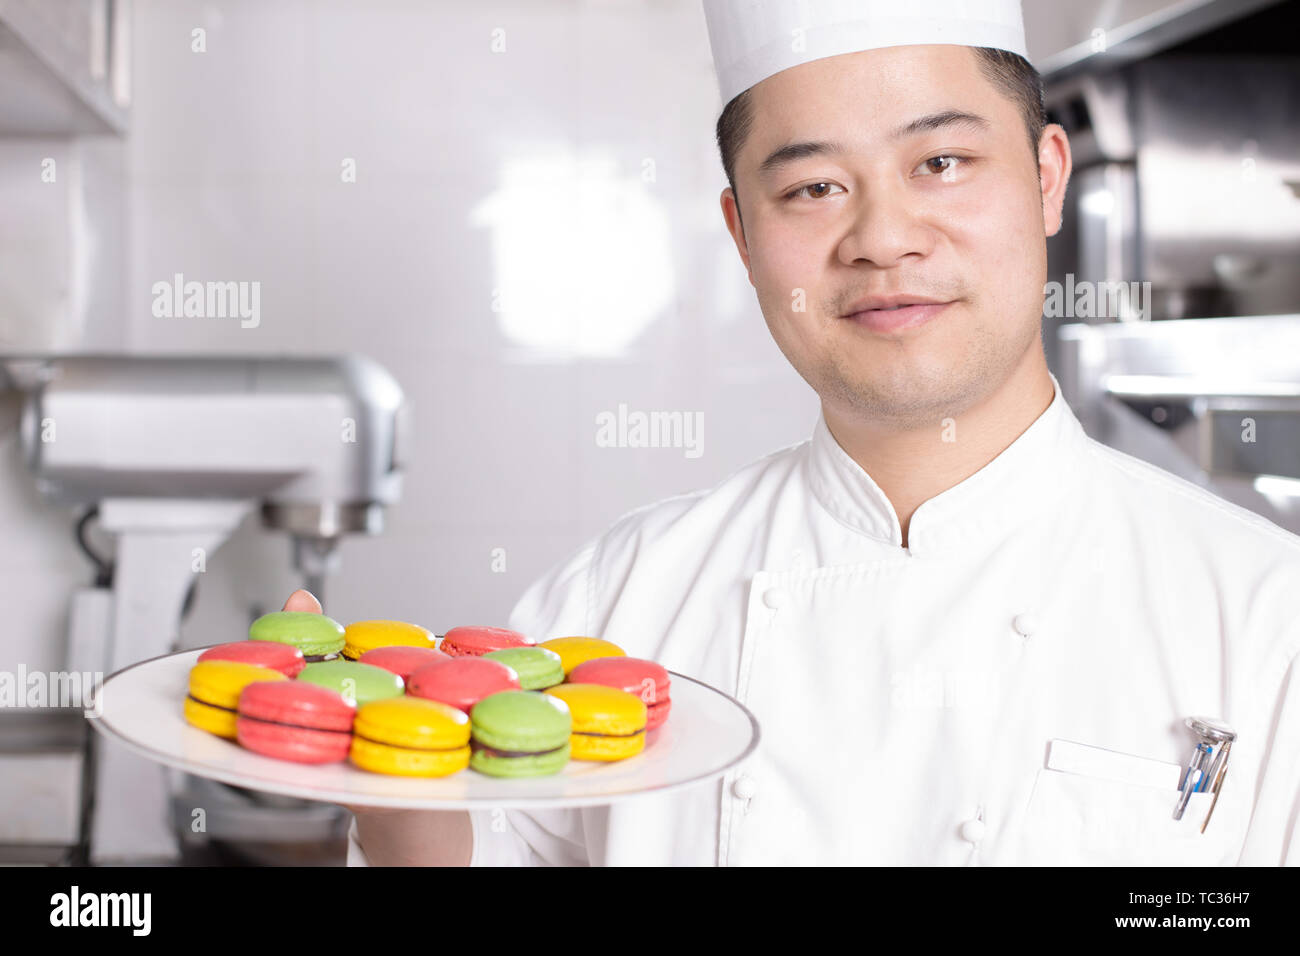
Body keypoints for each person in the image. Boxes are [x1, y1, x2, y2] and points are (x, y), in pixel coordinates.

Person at [329, 0, 1300, 864]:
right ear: (742, 232)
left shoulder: (1263, 619)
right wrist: (396, 809)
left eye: (942, 162)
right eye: (811, 188)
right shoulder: (603, 615)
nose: (882, 236)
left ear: (1047, 177)